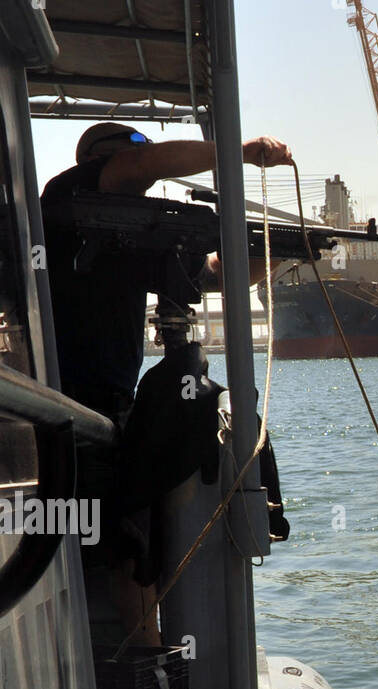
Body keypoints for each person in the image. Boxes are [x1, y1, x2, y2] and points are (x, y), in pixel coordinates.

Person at [40, 123, 293, 642]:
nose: (148, 175)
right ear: (97, 160)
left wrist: (283, 249)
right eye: (136, 161)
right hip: (66, 407)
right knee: (126, 545)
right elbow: (139, 165)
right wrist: (239, 152)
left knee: (135, 542)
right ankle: (143, 667)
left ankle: (146, 662)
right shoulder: (67, 198)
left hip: (109, 409)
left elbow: (214, 277)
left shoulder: (129, 238)